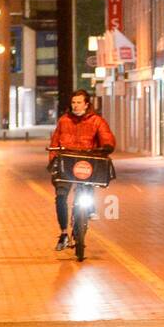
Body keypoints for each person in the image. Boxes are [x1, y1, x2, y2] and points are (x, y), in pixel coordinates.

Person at [48, 89, 115, 250]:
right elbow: (55, 142)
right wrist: (53, 161)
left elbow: (106, 136)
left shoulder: (96, 121)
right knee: (61, 196)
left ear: (86, 104)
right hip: (66, 162)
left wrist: (106, 146)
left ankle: (88, 210)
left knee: (87, 189)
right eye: (73, 102)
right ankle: (64, 232)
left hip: (87, 162)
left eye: (79, 102)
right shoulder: (64, 121)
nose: (76, 105)